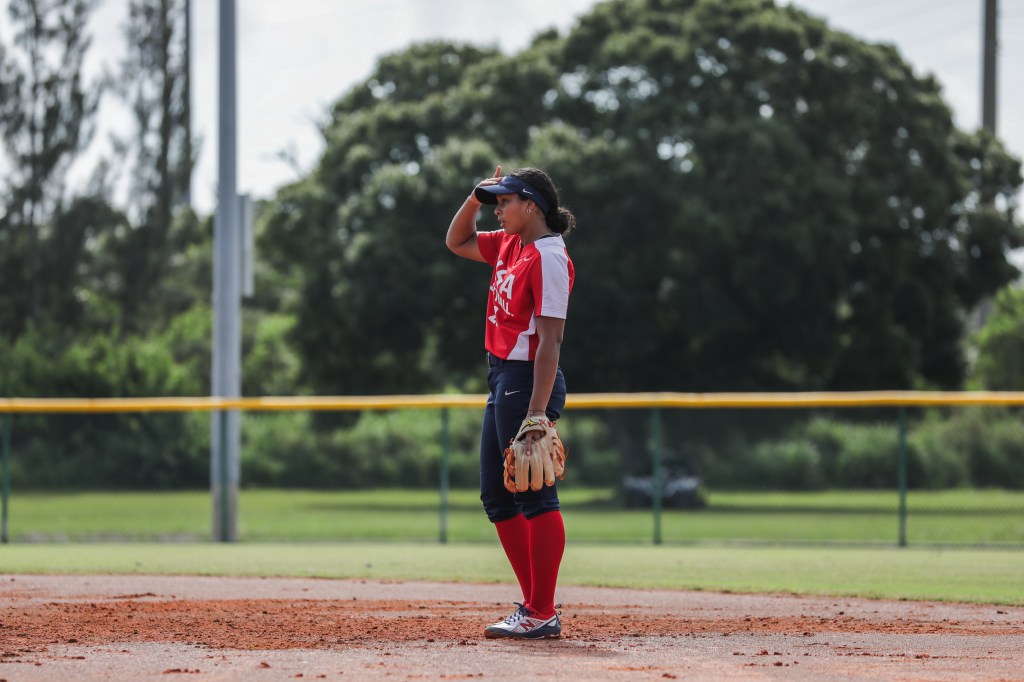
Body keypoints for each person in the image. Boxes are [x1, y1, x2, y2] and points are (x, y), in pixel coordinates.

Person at [445, 165, 576, 639]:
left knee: (534, 493)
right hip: (502, 377)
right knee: (497, 496)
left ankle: (540, 610)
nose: (497, 209)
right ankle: (535, 607)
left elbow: (551, 342)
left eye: (505, 201)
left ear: (532, 206)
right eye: (494, 202)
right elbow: (456, 242)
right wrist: (474, 196)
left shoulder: (548, 256)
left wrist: (538, 412)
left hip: (526, 379)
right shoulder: (509, 244)